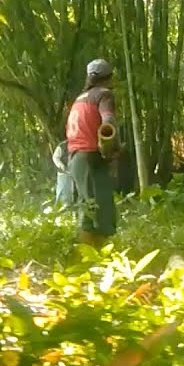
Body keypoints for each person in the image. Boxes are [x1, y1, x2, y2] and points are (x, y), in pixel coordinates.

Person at [64, 58, 122, 247]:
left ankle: (86, 255)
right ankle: (101, 255)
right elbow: (108, 121)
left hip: (75, 157)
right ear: (109, 78)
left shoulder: (79, 99)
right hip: (91, 156)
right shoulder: (104, 95)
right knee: (102, 208)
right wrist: (114, 148)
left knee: (87, 205)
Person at [51, 140, 74, 207]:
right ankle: (62, 207)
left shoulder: (78, 143)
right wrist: (62, 166)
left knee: (71, 191)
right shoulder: (63, 145)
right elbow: (55, 157)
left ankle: (70, 207)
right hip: (63, 173)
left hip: (74, 172)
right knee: (62, 190)